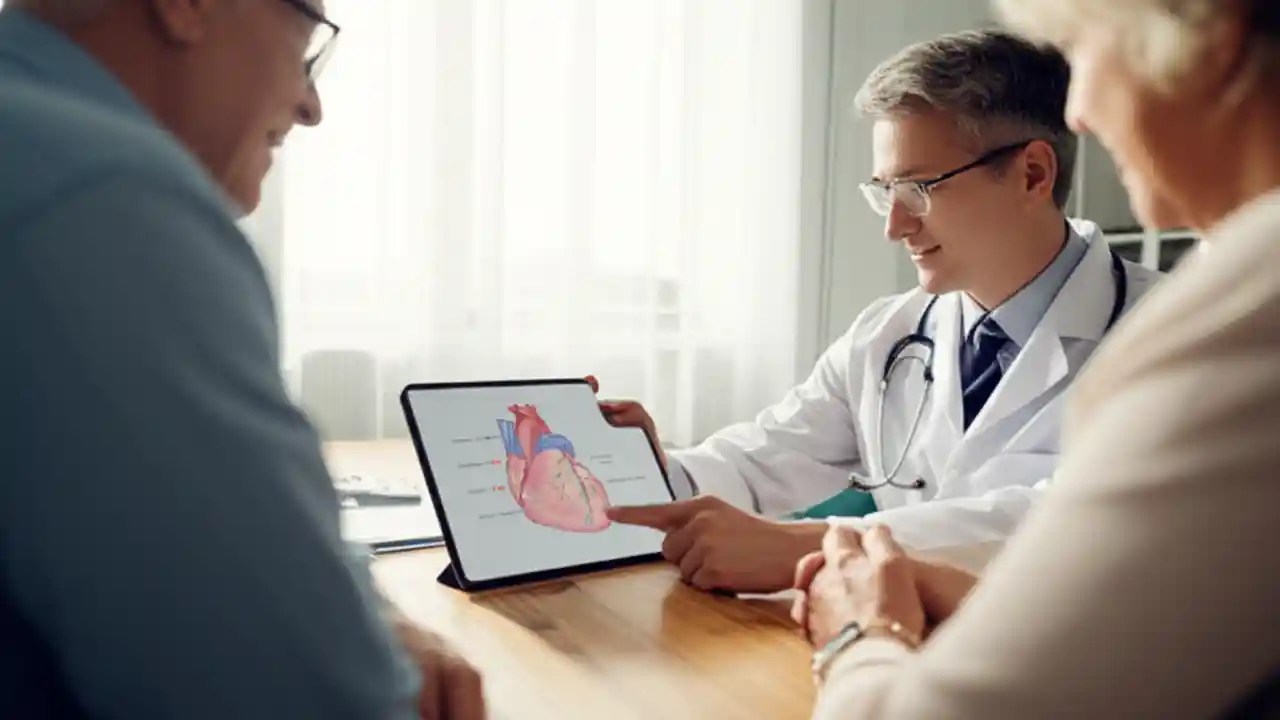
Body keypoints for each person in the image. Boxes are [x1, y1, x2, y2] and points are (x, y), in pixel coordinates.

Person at [793, 0, 1280, 716]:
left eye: (1084, 48)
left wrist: (859, 636)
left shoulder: (1245, 321)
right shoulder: (892, 329)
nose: (1077, 111)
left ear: (1214, 38)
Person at [0, 1, 482, 718]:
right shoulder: (105, 200)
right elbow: (307, 697)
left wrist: (356, 607)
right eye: (307, 41)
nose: (311, 103)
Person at [596, 30, 1161, 593]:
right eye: (884, 191)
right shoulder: (886, 335)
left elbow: (1066, 522)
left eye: (918, 189)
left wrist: (814, 544)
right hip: (889, 642)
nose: (895, 226)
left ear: (1033, 175)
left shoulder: (1166, 333)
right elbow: (765, 457)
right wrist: (644, 468)